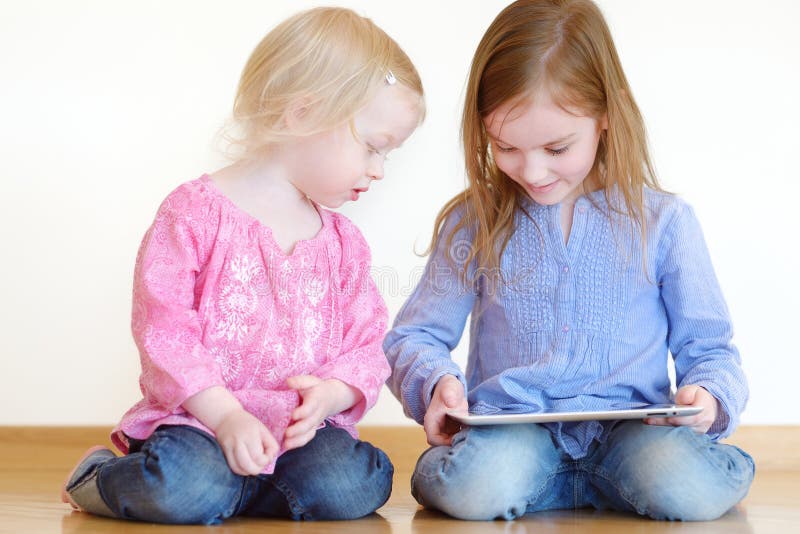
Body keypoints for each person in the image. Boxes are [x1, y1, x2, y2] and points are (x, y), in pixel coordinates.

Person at [384, 0, 753, 522]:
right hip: (514, 430)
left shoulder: (665, 223)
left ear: (607, 113)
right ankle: (526, 481)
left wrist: (708, 397)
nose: (531, 171)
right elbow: (413, 337)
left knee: (686, 485)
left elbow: (710, 347)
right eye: (505, 146)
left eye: (557, 148)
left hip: (635, 433)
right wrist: (436, 383)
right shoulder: (475, 221)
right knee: (474, 489)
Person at [62, 6, 424, 525]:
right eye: (373, 148)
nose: (380, 170)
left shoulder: (343, 244)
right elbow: (165, 329)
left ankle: (237, 493)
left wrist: (330, 396)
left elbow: (366, 343)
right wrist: (226, 416)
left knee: (354, 484)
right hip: (201, 424)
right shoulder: (193, 214)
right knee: (185, 486)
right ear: (302, 114)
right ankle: (97, 476)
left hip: (295, 437)